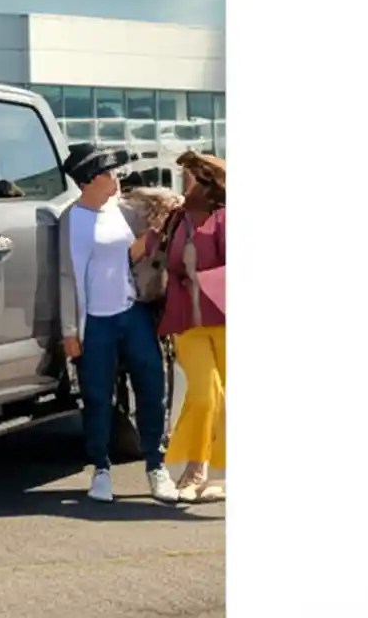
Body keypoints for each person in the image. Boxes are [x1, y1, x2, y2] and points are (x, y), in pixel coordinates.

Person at [59, 144, 179, 504]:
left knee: (151, 385)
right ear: (91, 180)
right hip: (95, 321)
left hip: (132, 312)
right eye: (110, 173)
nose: (117, 178)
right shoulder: (70, 220)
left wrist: (152, 238)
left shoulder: (120, 210)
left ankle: (156, 466)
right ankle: (101, 469)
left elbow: (127, 256)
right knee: (97, 397)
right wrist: (69, 331)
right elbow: (66, 277)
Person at [154, 151, 226, 502]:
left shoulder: (226, 217)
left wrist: (198, 279)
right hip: (186, 321)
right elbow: (159, 258)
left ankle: (219, 474)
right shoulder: (176, 219)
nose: (186, 181)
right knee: (203, 393)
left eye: (194, 174)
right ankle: (196, 468)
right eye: (185, 174)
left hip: (226, 319)